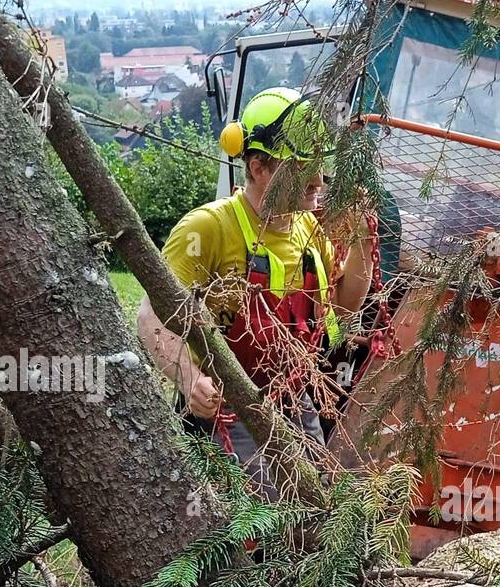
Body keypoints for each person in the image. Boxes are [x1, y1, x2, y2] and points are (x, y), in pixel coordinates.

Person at [136, 88, 373, 486]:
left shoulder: (310, 232)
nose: (318, 179)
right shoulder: (209, 228)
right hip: (228, 407)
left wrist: (365, 243)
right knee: (256, 522)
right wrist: (192, 380)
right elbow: (151, 316)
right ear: (259, 167)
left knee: (310, 509)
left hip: (295, 403)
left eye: (318, 165)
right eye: (302, 167)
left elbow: (345, 310)